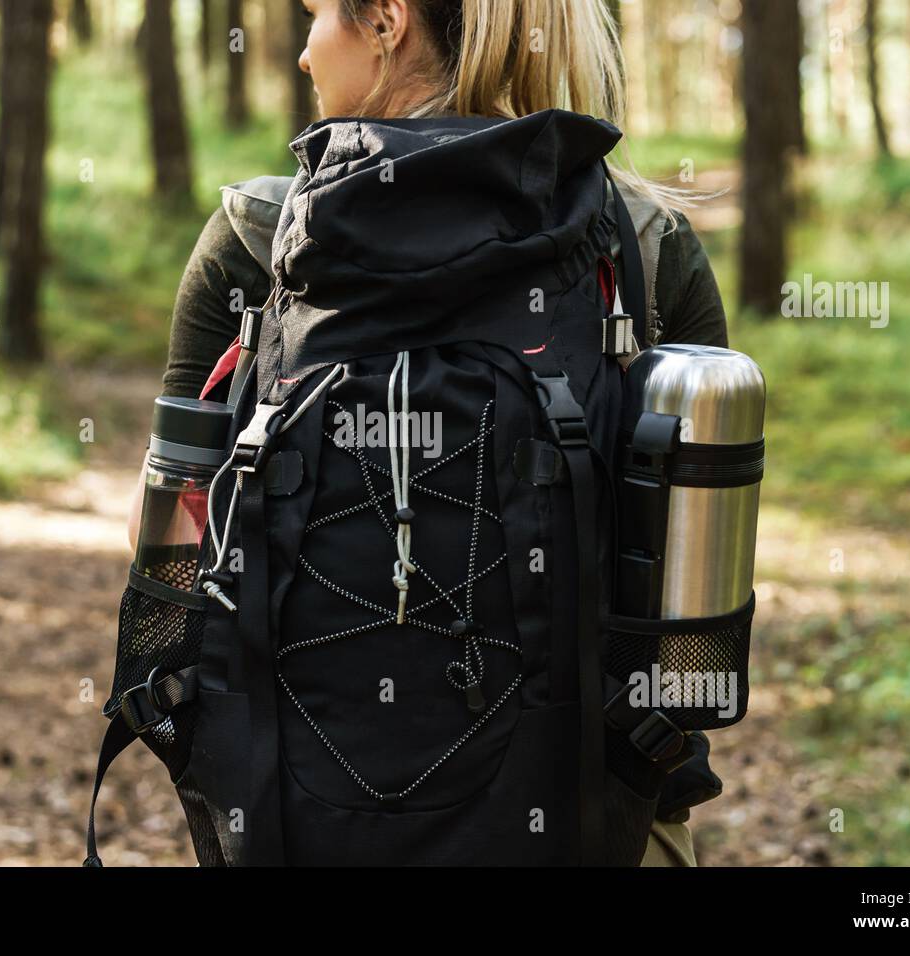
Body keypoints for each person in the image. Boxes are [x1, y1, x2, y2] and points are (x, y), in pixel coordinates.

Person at [130, 0, 730, 867]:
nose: (302, 55)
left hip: (290, 814)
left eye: (314, 18)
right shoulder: (638, 245)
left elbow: (167, 566)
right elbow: (691, 613)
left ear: (386, 20)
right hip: (597, 814)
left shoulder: (258, 241)